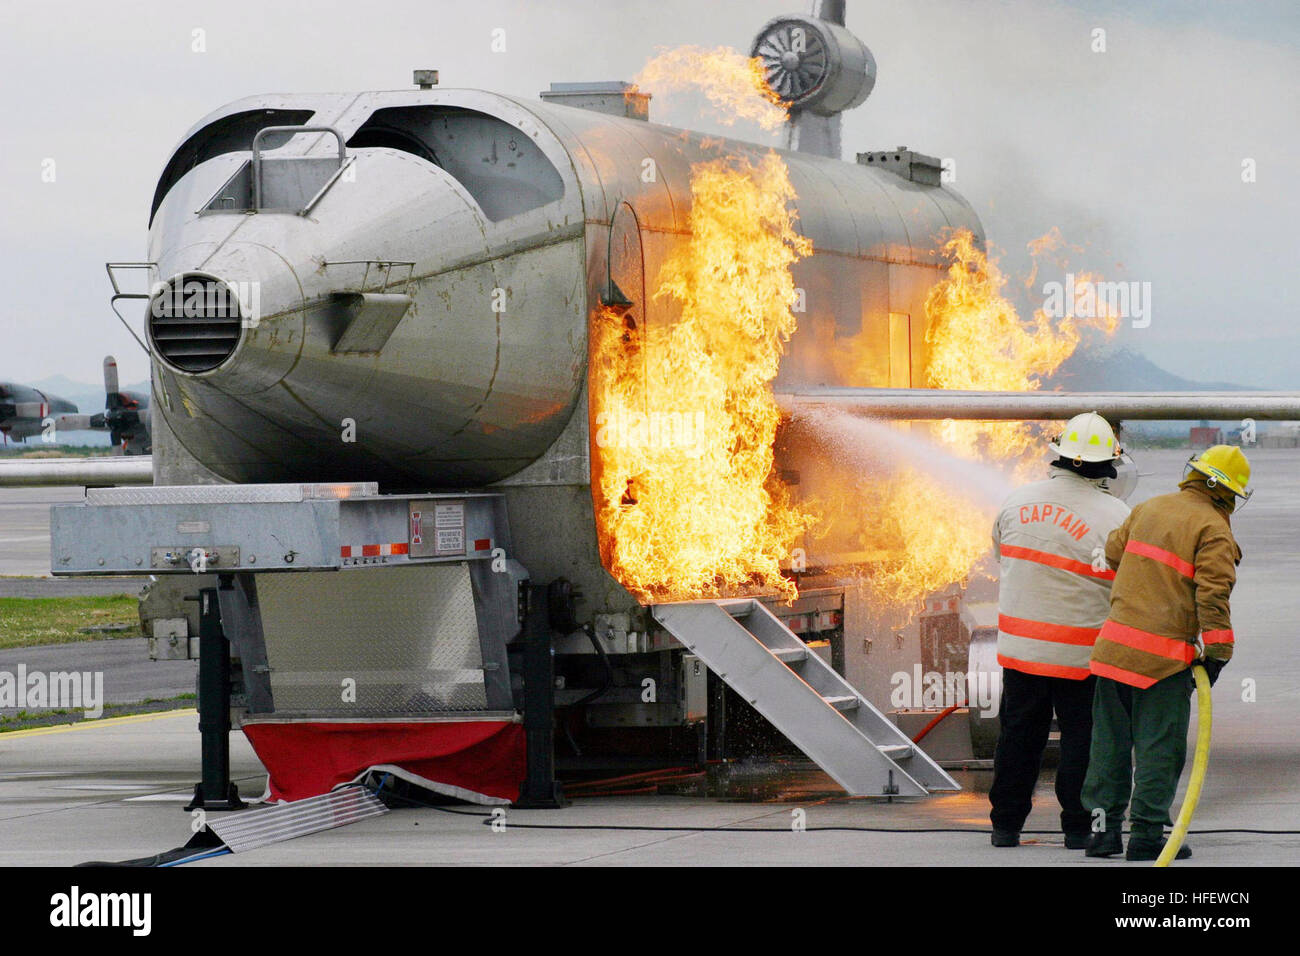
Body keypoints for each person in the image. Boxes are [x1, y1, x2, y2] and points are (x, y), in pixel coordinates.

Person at [1082, 444, 1248, 861]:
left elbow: (1115, 552)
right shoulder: (1214, 530)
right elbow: (1213, 596)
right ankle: (1146, 836)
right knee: (1159, 749)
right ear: (1226, 492)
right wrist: (1218, 654)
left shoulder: (1148, 507)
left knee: (1108, 747)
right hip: (1163, 662)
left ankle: (1101, 833)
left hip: (1113, 652)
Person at [989, 412, 1132, 849]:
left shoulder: (1016, 501)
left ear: (1060, 454)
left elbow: (1001, 556)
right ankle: (1077, 828)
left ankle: (1005, 827)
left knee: (1017, 738)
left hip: (1022, 653)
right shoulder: (1117, 515)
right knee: (1083, 742)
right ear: (1107, 464)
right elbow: (1125, 580)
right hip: (1081, 656)